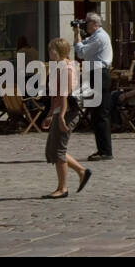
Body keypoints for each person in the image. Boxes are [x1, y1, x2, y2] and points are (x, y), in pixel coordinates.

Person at [44, 38, 90, 198]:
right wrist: (50, 114)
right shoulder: (57, 67)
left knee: (58, 150)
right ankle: (81, 171)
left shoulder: (67, 68)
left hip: (68, 111)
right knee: (52, 150)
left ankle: (62, 188)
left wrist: (61, 116)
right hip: (59, 110)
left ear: (60, 51)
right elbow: (54, 95)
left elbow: (65, 94)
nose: (50, 52)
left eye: (52, 50)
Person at [73, 11, 114, 161]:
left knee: (101, 114)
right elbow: (81, 47)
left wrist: (77, 34)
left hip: (99, 75)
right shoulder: (95, 36)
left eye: (87, 22)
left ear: (95, 24)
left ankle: (106, 151)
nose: (85, 24)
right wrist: (78, 35)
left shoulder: (100, 37)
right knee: (96, 115)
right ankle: (101, 149)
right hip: (94, 74)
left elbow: (81, 52)